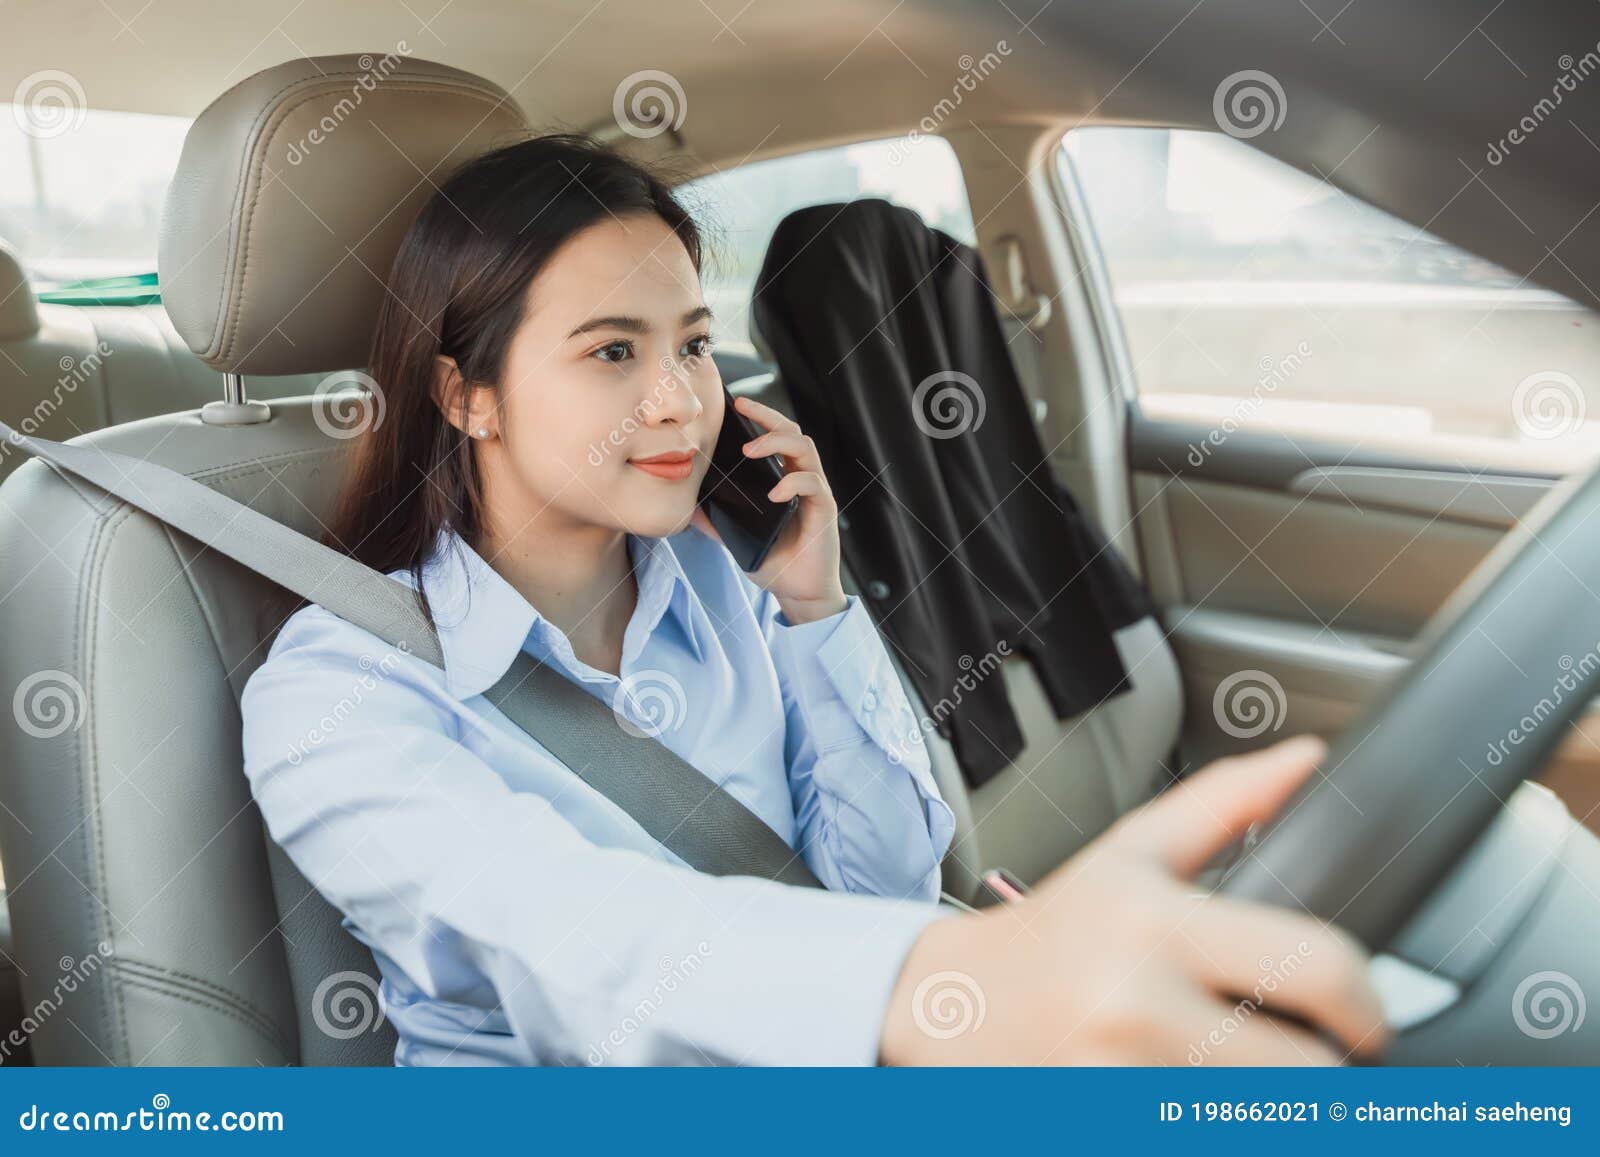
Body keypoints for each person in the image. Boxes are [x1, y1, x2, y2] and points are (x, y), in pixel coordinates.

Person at [240, 133, 1387, 1067]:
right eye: (610, 354)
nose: (682, 403)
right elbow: (560, 927)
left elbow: (879, 883)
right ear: (466, 394)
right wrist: (953, 983)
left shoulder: (727, 585)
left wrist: (817, 608)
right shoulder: (338, 685)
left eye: (692, 344)